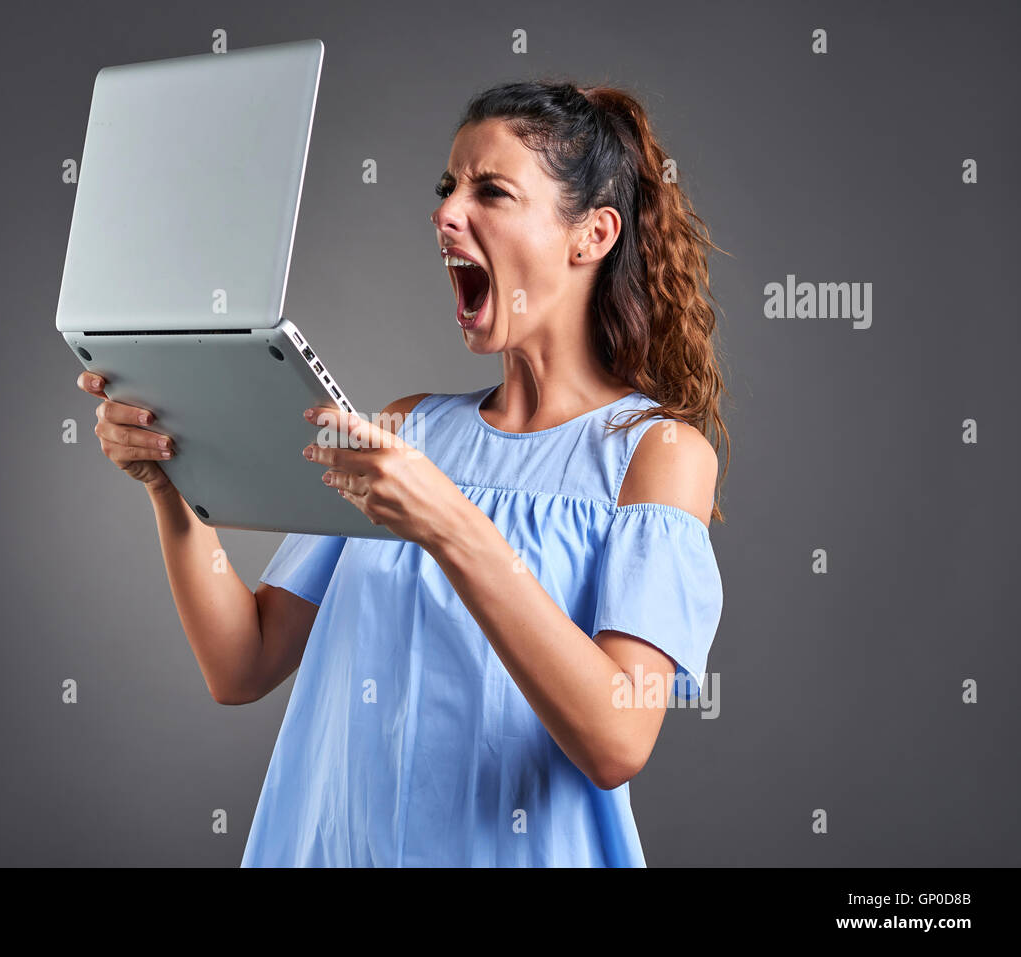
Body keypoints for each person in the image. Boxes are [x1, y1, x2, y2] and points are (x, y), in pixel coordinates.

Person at [79, 80, 730, 866]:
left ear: (590, 235)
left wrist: (451, 523)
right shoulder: (406, 427)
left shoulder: (655, 457)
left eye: (490, 190)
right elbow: (242, 662)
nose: (447, 212)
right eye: (447, 187)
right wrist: (170, 484)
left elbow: (618, 737)